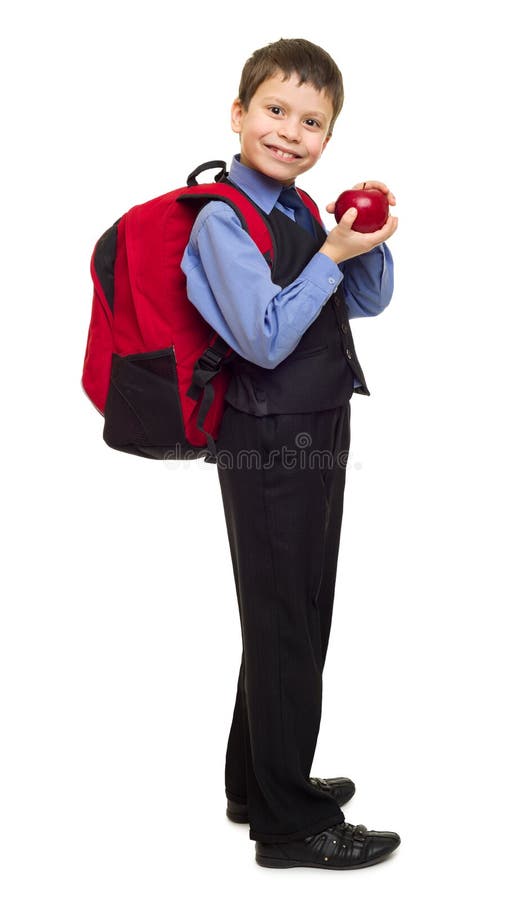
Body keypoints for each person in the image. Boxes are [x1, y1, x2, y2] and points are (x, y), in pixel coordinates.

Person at [181, 37, 400, 870]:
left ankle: (257, 781)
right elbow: (263, 338)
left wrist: (361, 236)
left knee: (294, 612)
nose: (291, 132)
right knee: (285, 621)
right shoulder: (222, 221)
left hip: (317, 422)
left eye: (313, 122)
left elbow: (366, 301)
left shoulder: (301, 211)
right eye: (275, 111)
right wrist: (332, 258)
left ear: (327, 138)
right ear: (239, 115)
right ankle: (290, 825)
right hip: (266, 434)